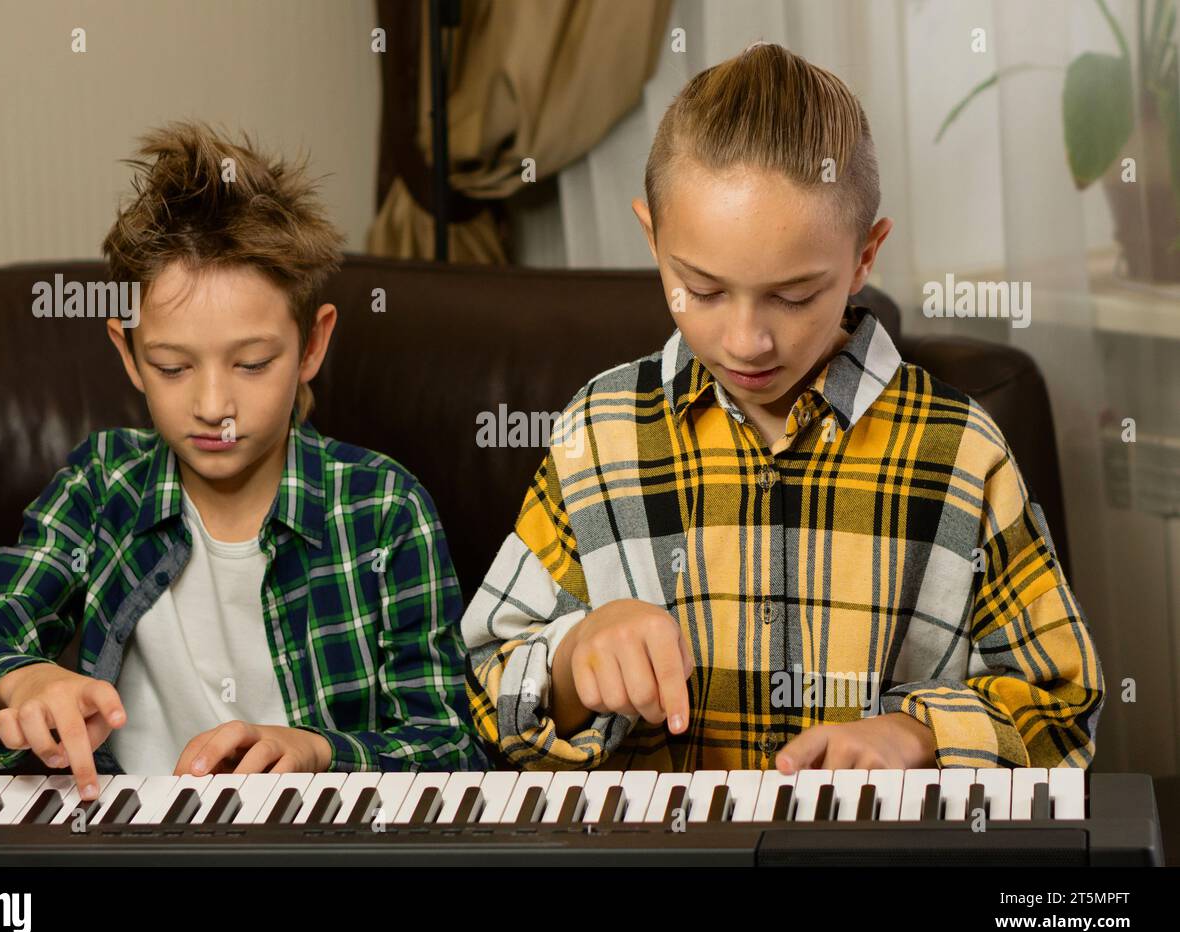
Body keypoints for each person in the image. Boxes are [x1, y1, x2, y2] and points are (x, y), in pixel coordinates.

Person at [462, 43, 1103, 773]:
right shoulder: (597, 434)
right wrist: (575, 660)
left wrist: (920, 736)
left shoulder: (962, 452)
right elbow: (478, 695)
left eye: (795, 297)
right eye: (701, 290)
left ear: (865, 257)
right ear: (654, 239)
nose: (746, 341)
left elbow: (1065, 714)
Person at [0, 120, 486, 800]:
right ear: (128, 354)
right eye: (172, 366)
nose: (214, 403)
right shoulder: (103, 485)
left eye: (251, 364)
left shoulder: (383, 508)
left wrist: (316, 752)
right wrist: (25, 679)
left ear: (313, 346)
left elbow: (452, 747)